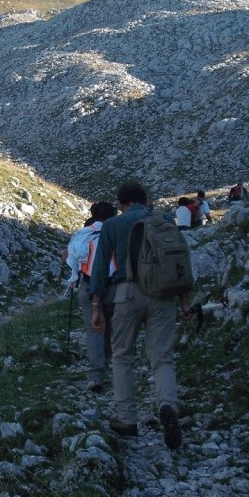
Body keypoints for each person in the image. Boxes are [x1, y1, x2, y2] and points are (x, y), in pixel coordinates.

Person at [89, 182, 184, 450]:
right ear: (145, 200)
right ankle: (167, 404)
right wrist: (185, 300)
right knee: (162, 357)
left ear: (121, 204)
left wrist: (97, 305)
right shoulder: (163, 219)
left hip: (127, 292)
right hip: (163, 294)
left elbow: (99, 267)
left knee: (122, 357)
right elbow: (179, 262)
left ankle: (126, 419)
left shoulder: (113, 225)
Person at [64, 201, 118, 391]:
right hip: (112, 287)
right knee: (109, 326)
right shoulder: (115, 232)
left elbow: (69, 257)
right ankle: (109, 363)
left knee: (94, 329)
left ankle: (96, 376)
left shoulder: (83, 234)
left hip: (87, 285)